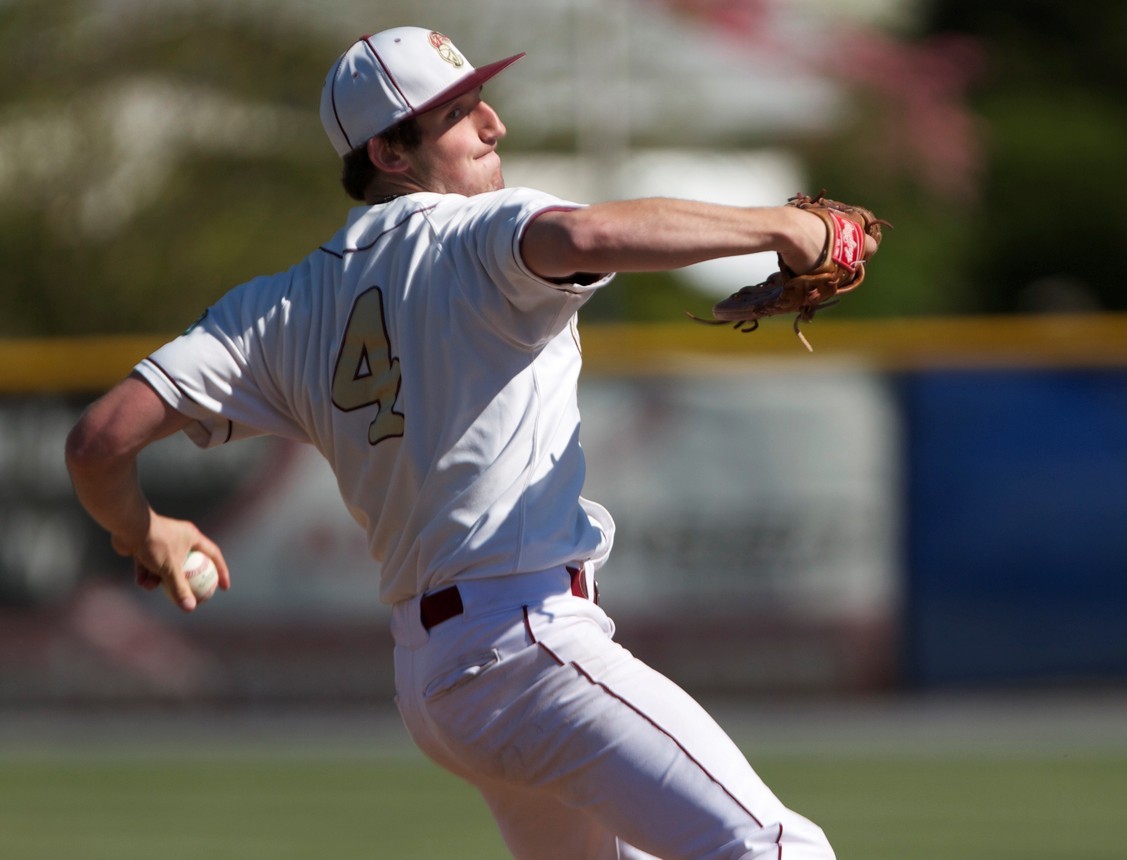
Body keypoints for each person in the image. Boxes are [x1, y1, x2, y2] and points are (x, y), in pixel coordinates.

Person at [65, 26, 869, 859]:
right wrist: (787, 227)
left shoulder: (272, 310)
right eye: (457, 112)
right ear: (390, 150)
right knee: (778, 849)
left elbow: (98, 441)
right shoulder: (474, 232)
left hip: (436, 682)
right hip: (527, 643)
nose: (494, 125)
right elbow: (587, 237)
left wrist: (141, 531)